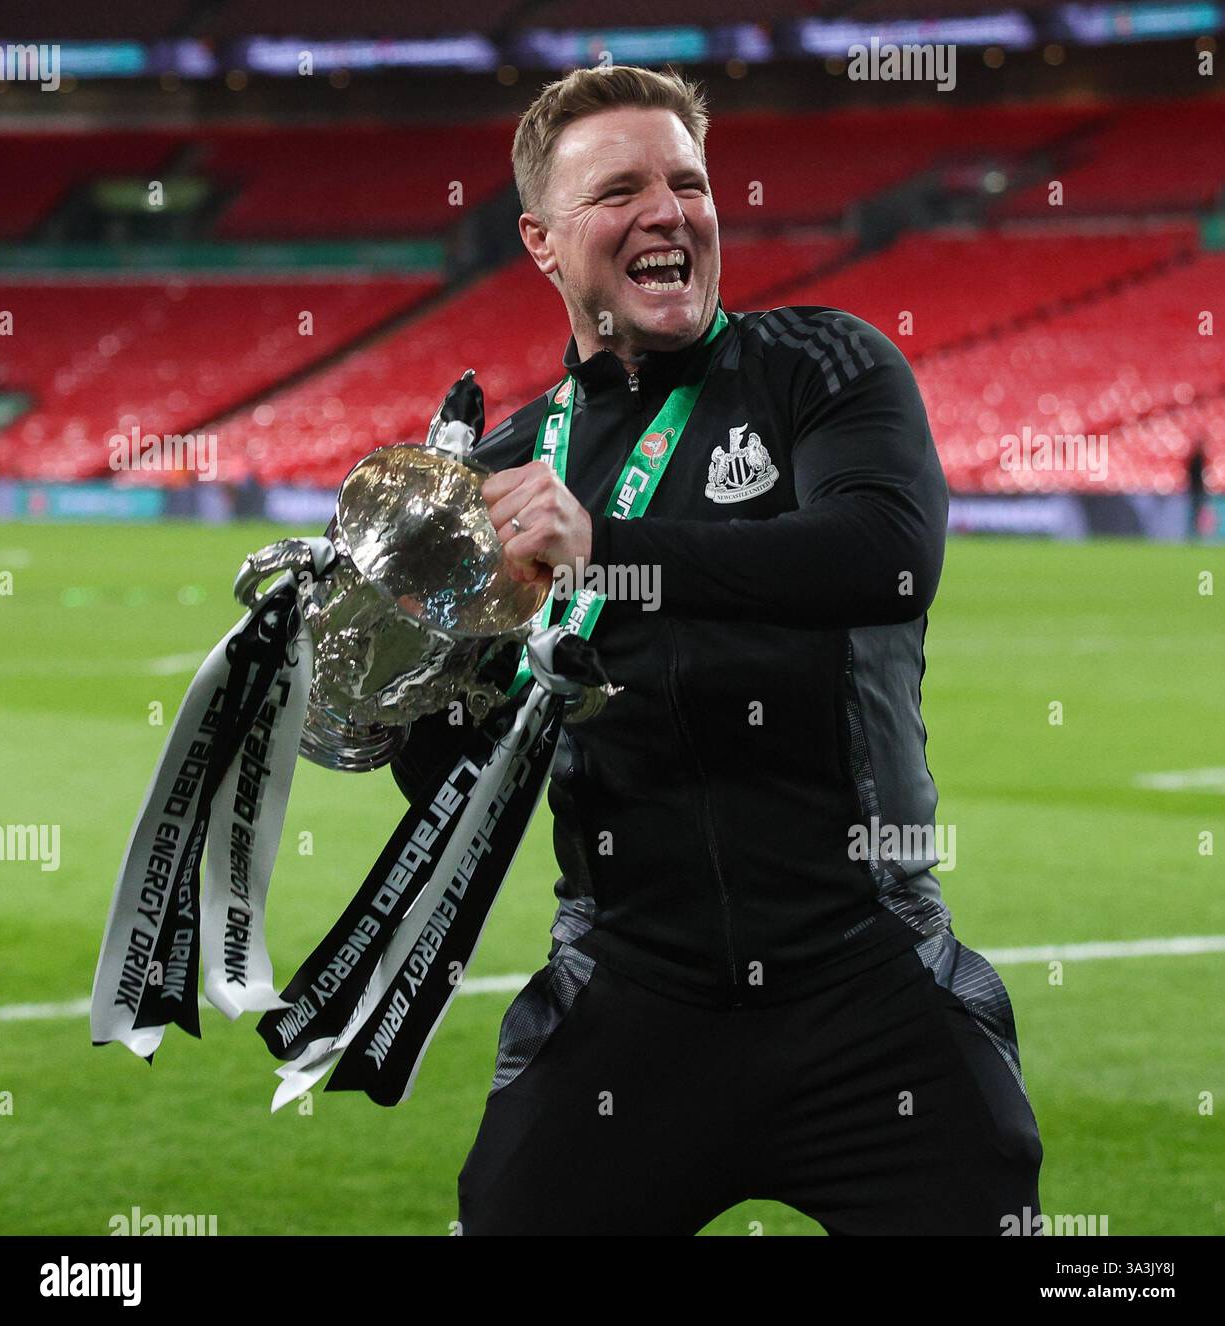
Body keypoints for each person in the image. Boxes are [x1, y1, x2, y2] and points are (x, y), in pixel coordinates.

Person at [394, 64, 1043, 1235]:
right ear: (541, 242)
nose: (668, 212)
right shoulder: (501, 477)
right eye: (621, 190)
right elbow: (456, 776)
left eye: (687, 183)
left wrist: (605, 549)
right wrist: (398, 678)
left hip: (866, 980)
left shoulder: (821, 368)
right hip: (626, 998)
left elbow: (881, 557)